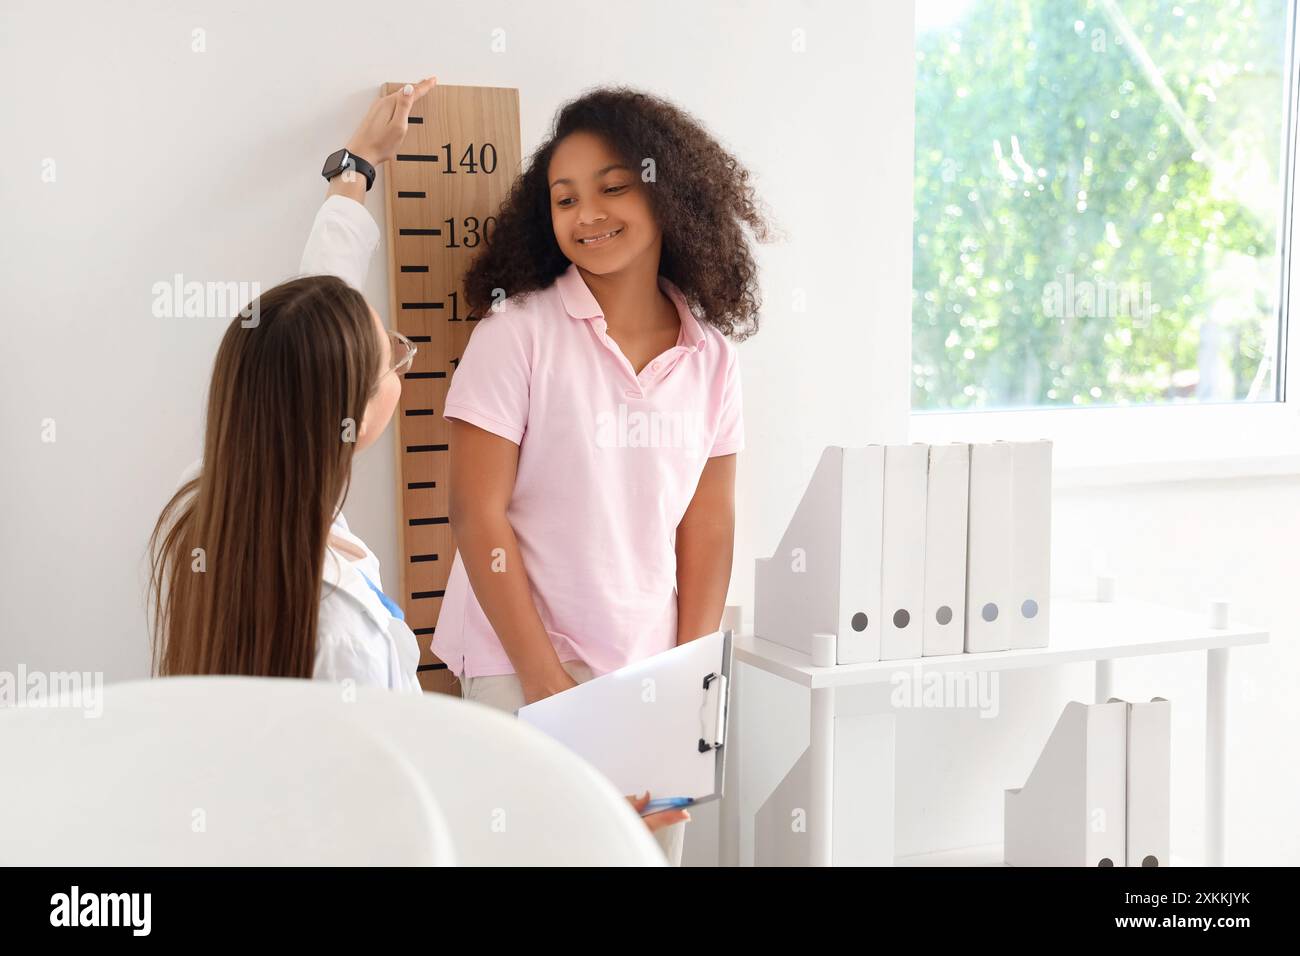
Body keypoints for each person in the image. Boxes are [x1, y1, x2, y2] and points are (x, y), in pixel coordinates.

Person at [146, 76, 694, 847]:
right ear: (351, 417)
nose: (406, 364)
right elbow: (407, 798)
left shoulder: (230, 510)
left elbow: (308, 325)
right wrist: (589, 795)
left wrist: (356, 171)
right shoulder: (343, 638)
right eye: (394, 363)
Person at [437, 86, 772, 864]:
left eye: (613, 187)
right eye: (565, 198)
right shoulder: (515, 334)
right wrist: (546, 683)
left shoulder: (713, 359)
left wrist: (688, 675)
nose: (587, 213)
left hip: (649, 666)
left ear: (669, 195)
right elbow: (475, 514)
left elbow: (708, 524)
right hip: (517, 661)